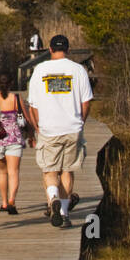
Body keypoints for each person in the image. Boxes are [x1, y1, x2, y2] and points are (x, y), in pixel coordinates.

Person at [28, 34, 93, 229]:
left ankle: (53, 197)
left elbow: (33, 104)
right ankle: (64, 213)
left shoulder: (40, 70)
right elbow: (86, 100)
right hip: (72, 127)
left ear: (49, 49)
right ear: (68, 49)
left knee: (49, 170)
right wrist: (80, 120)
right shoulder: (78, 70)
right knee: (67, 170)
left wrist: (37, 124)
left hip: (49, 128)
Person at [0, 71, 32, 214]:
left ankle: (3, 202)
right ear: (11, 83)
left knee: (2, 172)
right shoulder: (16, 98)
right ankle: (11, 200)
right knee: (13, 172)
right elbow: (26, 118)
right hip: (14, 138)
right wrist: (31, 134)